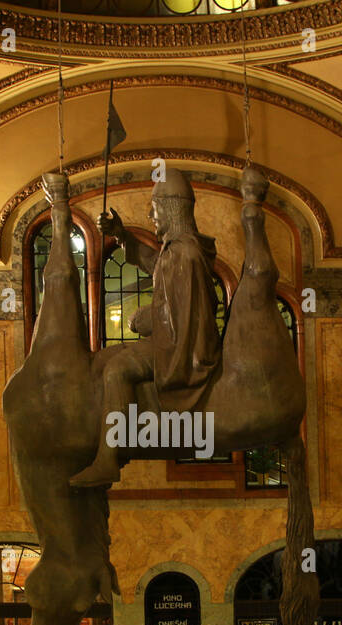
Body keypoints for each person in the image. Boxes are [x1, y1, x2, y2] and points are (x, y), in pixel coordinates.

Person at [70, 170, 221, 488]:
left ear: (172, 207)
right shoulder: (178, 249)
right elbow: (154, 264)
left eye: (155, 207)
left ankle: (109, 459)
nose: (151, 214)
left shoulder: (188, 254)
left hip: (184, 349)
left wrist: (149, 318)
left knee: (118, 369)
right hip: (171, 340)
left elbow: (190, 313)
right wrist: (121, 234)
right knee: (107, 357)